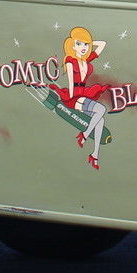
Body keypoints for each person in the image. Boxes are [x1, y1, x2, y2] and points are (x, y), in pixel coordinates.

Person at [52, 26, 109, 169]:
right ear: (72, 45)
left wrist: (89, 42)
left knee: (100, 120)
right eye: (79, 43)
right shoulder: (71, 61)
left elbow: (102, 44)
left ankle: (95, 154)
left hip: (83, 96)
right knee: (101, 109)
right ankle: (84, 134)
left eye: (85, 44)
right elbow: (71, 82)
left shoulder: (86, 59)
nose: (83, 47)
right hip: (74, 97)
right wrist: (70, 102)